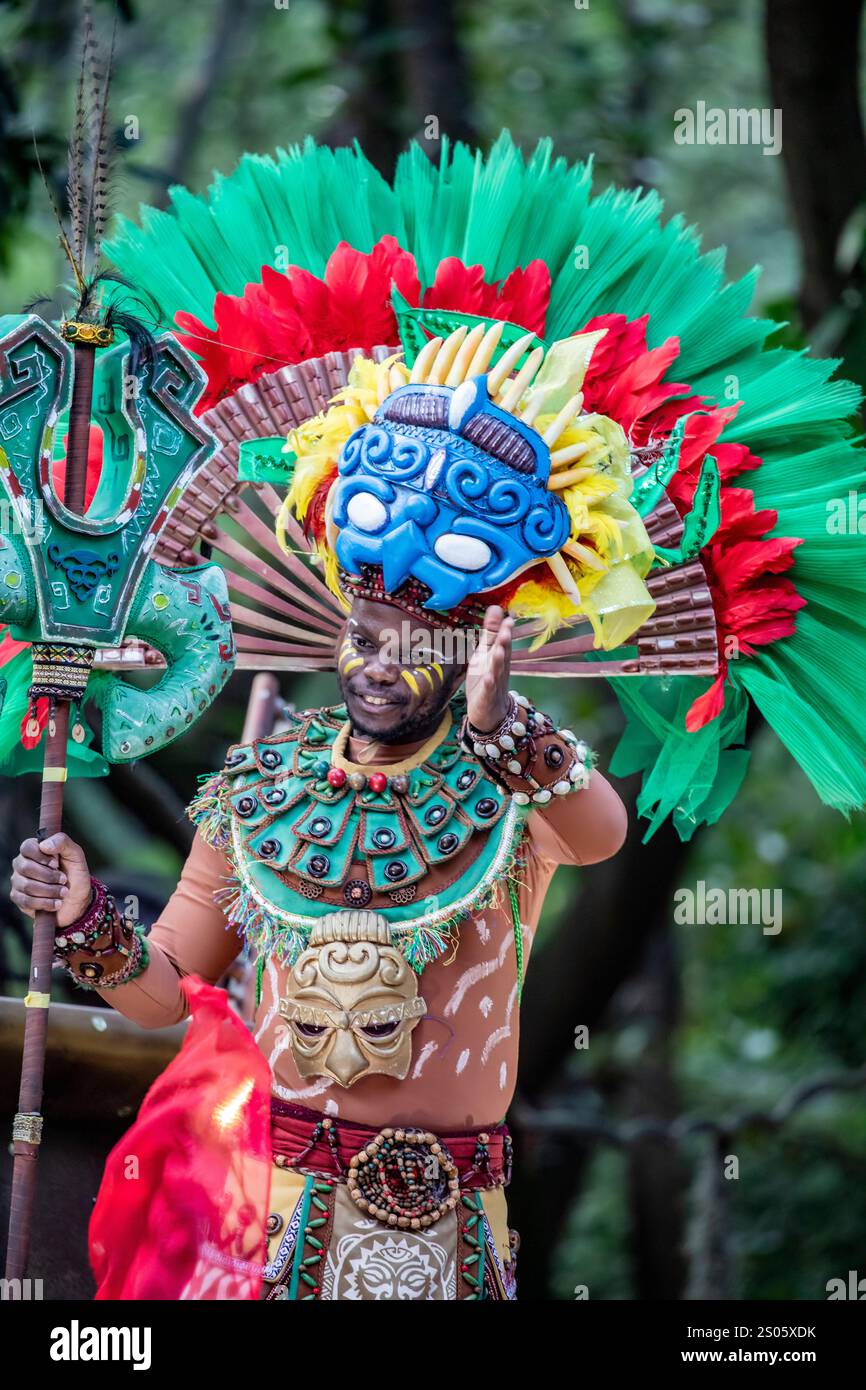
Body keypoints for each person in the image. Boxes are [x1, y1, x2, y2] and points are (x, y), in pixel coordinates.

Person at [10, 335, 632, 1301]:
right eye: (364, 637)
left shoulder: (513, 784)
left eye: (416, 644)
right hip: (270, 1209)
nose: (381, 664)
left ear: (472, 652)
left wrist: (505, 726)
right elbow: (168, 994)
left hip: (449, 1230)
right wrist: (87, 914)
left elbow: (602, 836)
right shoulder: (261, 788)